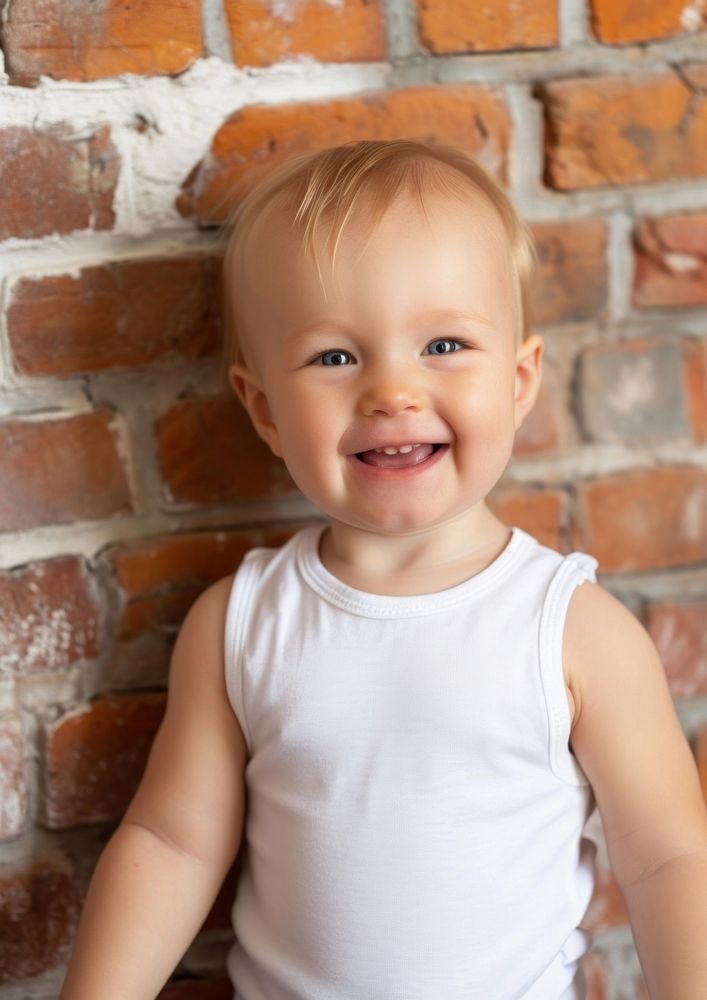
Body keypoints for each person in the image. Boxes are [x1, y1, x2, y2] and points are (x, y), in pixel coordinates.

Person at [59, 139, 707, 1000]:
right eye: (335, 357)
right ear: (263, 409)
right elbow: (174, 843)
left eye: (442, 344)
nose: (391, 392)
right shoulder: (242, 623)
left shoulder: (571, 630)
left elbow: (665, 856)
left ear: (518, 382)